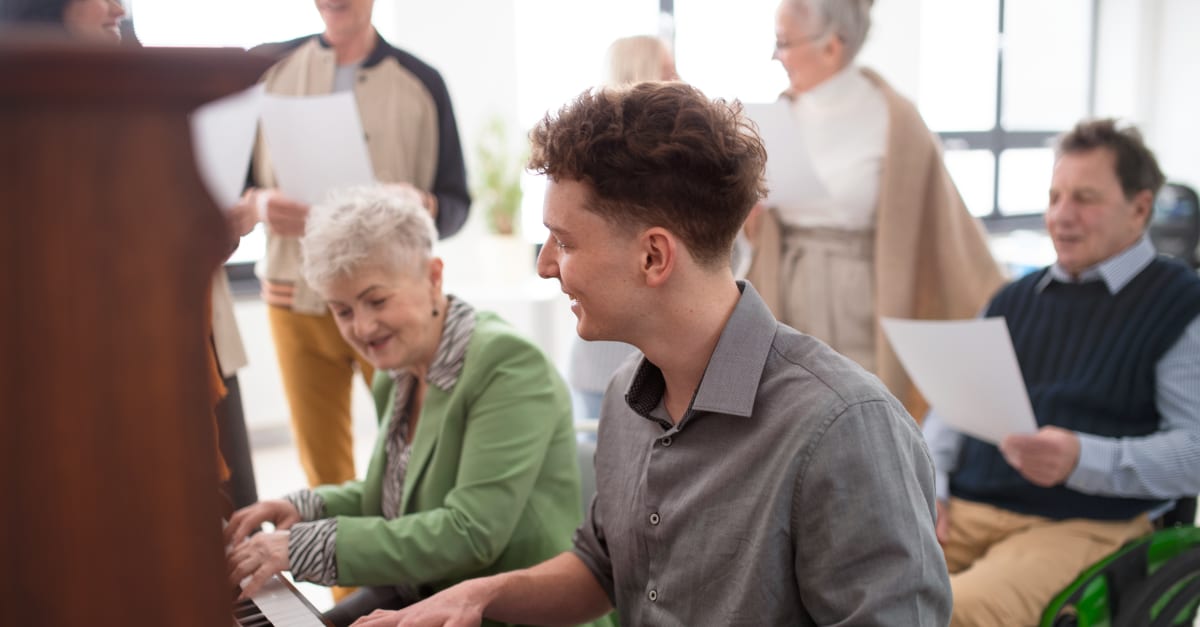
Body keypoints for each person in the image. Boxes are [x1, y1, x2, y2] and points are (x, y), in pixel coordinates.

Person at [350, 82, 951, 627]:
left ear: (654, 257)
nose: (545, 266)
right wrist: (476, 597)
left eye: (564, 241)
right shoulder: (626, 396)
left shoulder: (845, 427)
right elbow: (604, 568)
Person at [223, 187, 599, 627]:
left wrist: (302, 546)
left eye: (377, 301)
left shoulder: (508, 367)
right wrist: (307, 507)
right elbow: (395, 497)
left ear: (433, 277)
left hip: (503, 615)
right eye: (342, 311)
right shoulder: (397, 367)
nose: (361, 327)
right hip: (423, 593)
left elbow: (469, 535)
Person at [923, 119, 1200, 626]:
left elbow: (1195, 451)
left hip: (1081, 523)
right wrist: (932, 484)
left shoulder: (1179, 305)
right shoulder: (1012, 300)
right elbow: (951, 411)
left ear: (1140, 208)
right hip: (963, 512)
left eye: (1084, 199)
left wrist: (1082, 458)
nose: (1060, 217)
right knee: (845, 587)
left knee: (947, 614)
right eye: (1055, 197)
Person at [0, 0, 261, 509]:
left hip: (165, 363)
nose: (119, 7)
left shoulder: (122, 94)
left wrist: (206, 231)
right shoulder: (35, 125)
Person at [246, 0, 471, 492]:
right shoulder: (267, 73)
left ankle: (422, 568)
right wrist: (261, 204)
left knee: (420, 459)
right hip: (295, 301)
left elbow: (457, 204)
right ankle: (345, 571)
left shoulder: (422, 82)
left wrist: (422, 203)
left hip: (396, 299)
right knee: (322, 469)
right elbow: (229, 190)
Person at [746, 0, 1005, 419]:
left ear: (831, 46)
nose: (775, 57)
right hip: (786, 292)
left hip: (863, 301)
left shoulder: (895, 119)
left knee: (860, 417)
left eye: (783, 43)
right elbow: (761, 227)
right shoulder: (779, 112)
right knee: (786, 415)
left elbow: (943, 226)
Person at [565, 35, 678, 420]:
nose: (680, 79)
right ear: (641, 75)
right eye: (668, 70)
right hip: (608, 366)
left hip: (651, 362)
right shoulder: (598, 167)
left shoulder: (680, 160)